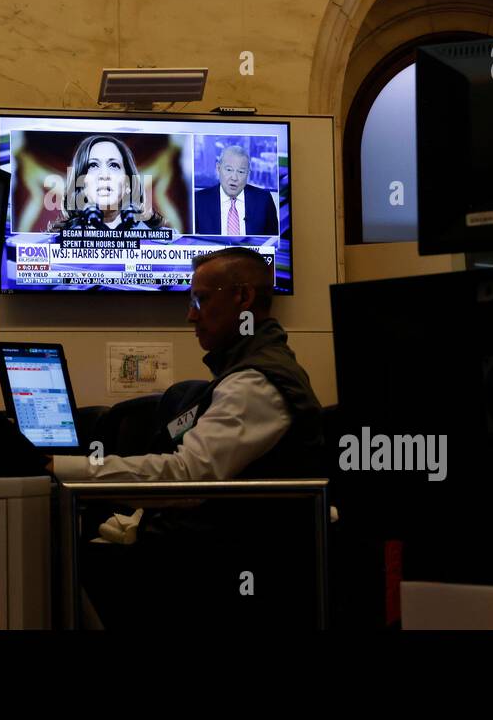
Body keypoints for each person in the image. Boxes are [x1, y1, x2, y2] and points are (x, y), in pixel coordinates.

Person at [44, 247, 325, 628]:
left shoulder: (255, 382)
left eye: (201, 300)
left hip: (230, 565)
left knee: (59, 565)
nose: (191, 315)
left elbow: (186, 477)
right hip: (236, 555)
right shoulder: (252, 369)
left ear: (243, 297)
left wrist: (62, 470)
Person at [48, 135, 165, 232]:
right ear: (80, 183)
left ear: (129, 183)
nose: (104, 175)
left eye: (114, 165)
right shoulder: (54, 244)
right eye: (93, 165)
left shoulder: (169, 243)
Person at [192, 144, 279, 236]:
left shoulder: (264, 200)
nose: (234, 177)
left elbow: (273, 242)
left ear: (248, 173)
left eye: (241, 172)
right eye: (229, 170)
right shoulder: (199, 200)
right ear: (218, 168)